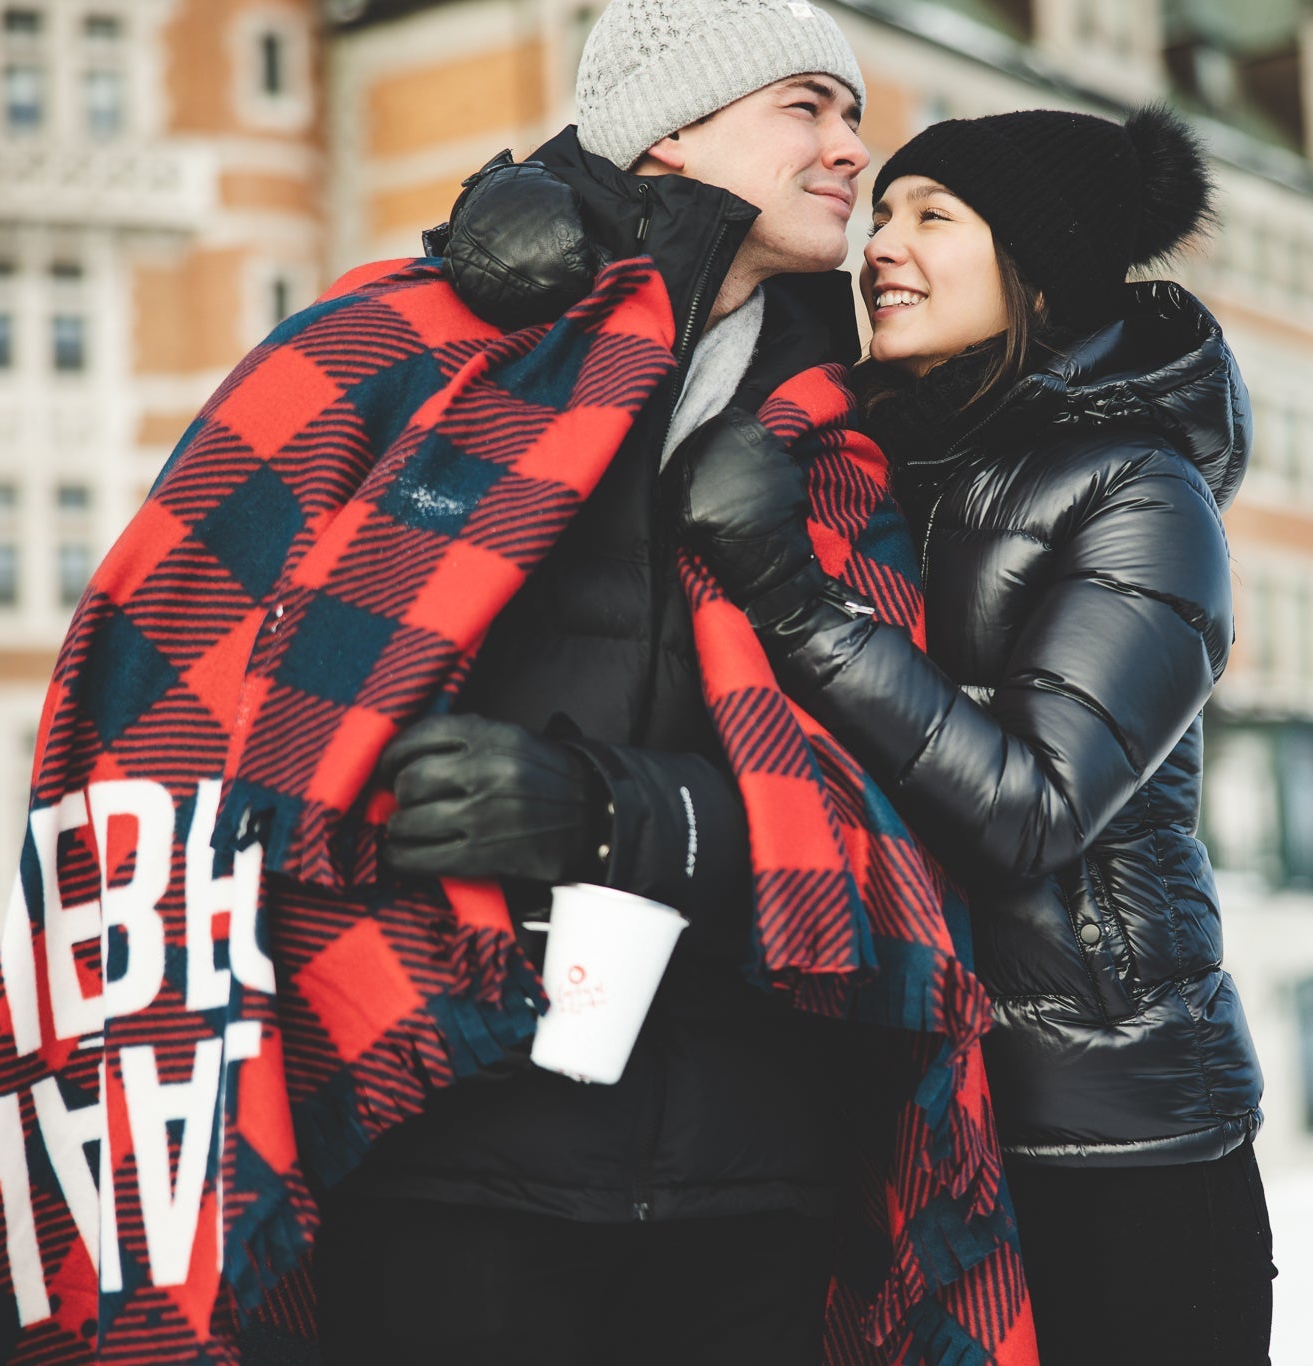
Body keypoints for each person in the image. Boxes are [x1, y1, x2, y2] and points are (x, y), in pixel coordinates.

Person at [310, 3, 873, 1362]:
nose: (854, 148)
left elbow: (905, 798)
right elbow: (267, 712)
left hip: (756, 1176)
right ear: (671, 130)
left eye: (854, 114)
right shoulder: (442, 356)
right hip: (464, 1146)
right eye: (808, 108)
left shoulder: (855, 424)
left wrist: (612, 814)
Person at [678, 106, 1274, 1364]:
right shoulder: (879, 458)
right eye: (881, 212)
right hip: (912, 1119)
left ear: (1039, 267)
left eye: (931, 216)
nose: (880, 244)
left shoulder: (1139, 492)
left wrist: (790, 594)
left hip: (1113, 1149)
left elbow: (1030, 811)